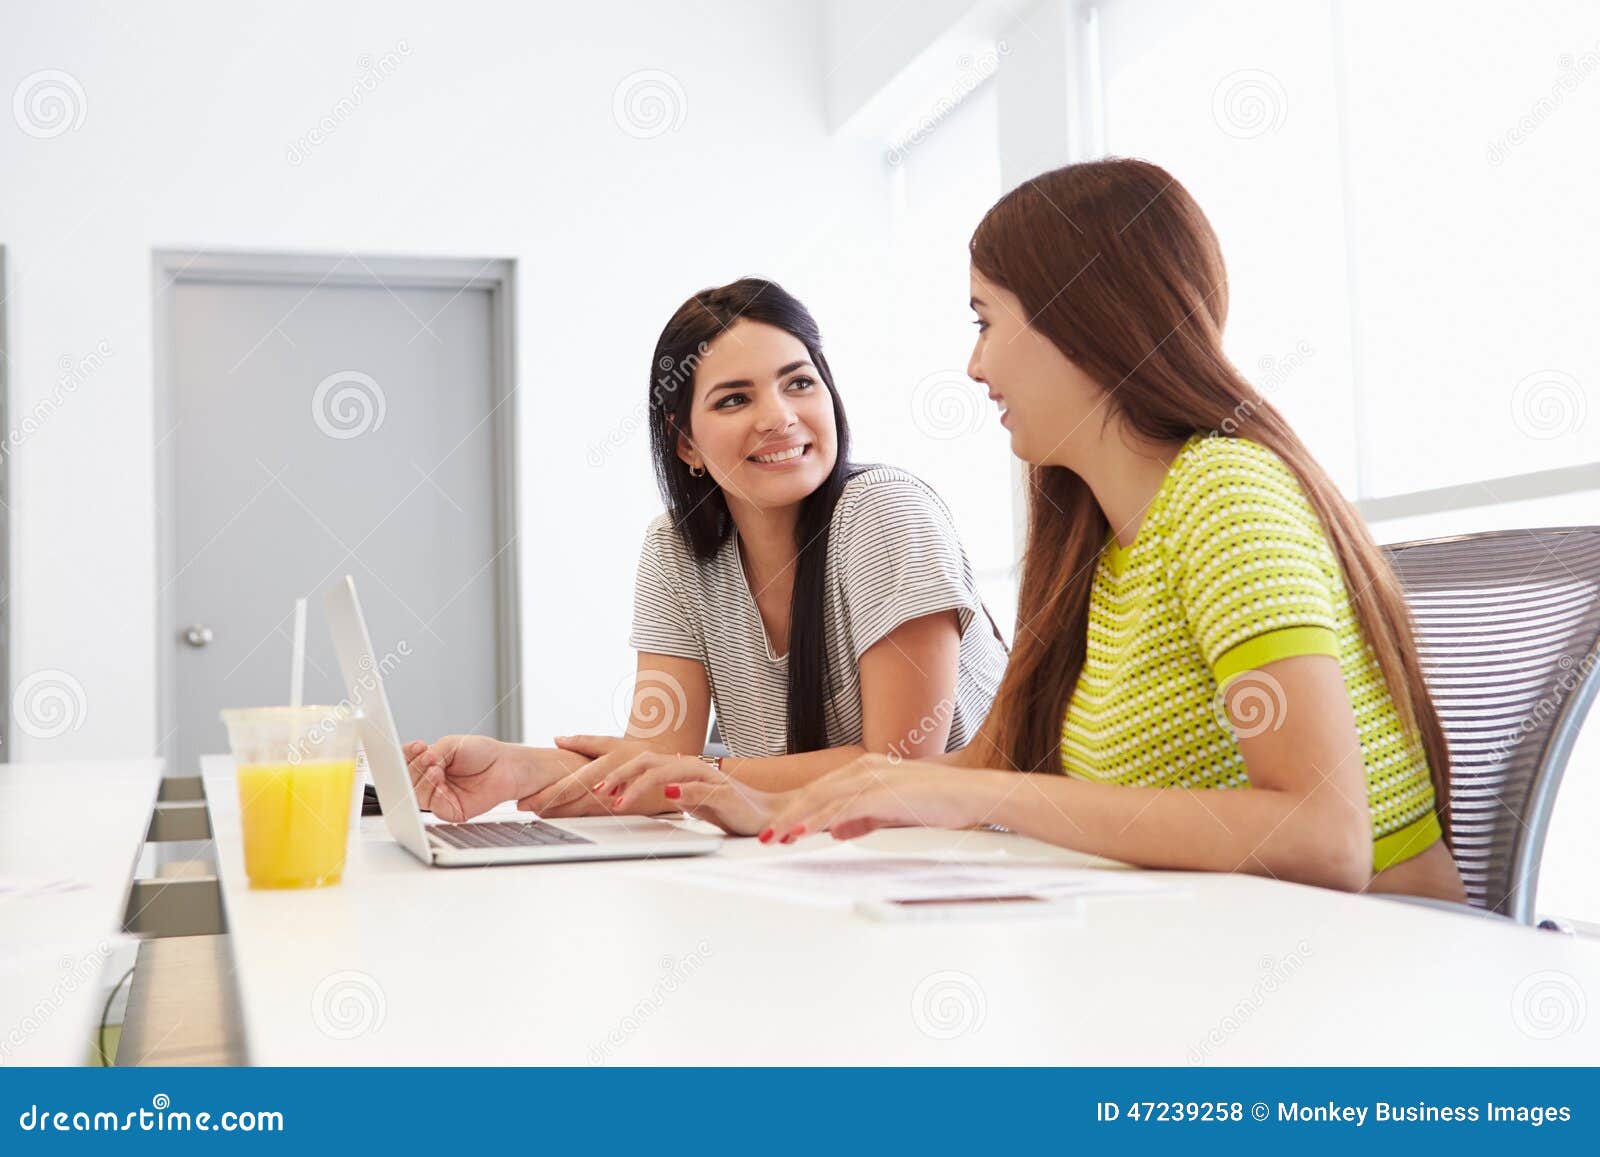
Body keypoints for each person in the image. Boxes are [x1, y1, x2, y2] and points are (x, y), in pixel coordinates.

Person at [595, 160, 1468, 902]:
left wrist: (1005, 798)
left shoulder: (1225, 494)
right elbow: (986, 765)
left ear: (1079, 323)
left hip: (1370, 974)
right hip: (1209, 946)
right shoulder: (1090, 532)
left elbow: (1325, 837)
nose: (974, 364)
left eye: (985, 320)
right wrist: (786, 807)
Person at [405, 278, 1007, 823]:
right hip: (823, 860)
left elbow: (899, 768)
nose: (779, 417)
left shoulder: (887, 514)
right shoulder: (675, 547)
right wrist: (517, 769)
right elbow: (658, 758)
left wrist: (707, 778)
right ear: (685, 442)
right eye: (734, 399)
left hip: (982, 859)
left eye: (799, 382)